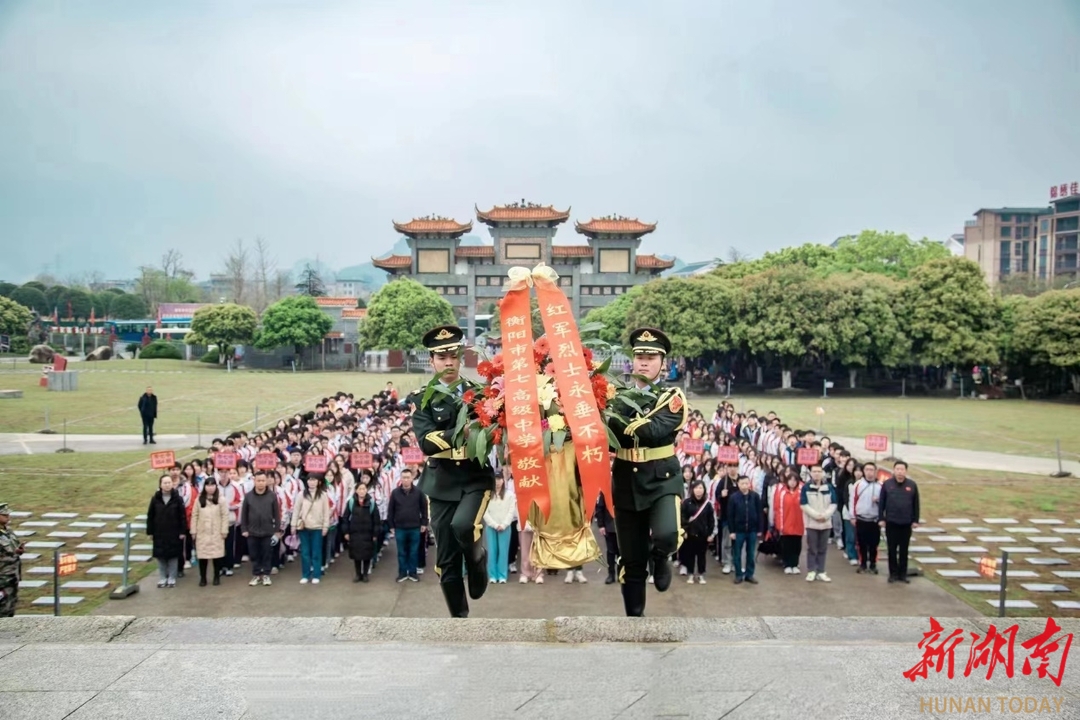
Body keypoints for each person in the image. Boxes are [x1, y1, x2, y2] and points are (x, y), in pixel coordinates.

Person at [409, 325, 495, 618]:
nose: (448, 363)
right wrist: (463, 432)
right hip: (441, 482)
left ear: (460, 358)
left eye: (453, 356)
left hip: (474, 477)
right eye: (441, 357)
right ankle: (459, 619)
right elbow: (426, 442)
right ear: (431, 361)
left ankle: (477, 560)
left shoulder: (481, 394)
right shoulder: (421, 398)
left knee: (464, 526)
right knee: (445, 560)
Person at [606, 327, 687, 616]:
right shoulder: (615, 395)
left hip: (661, 478)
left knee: (667, 534)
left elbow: (654, 430)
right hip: (626, 480)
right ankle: (634, 619)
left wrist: (615, 421)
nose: (644, 362)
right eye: (640, 356)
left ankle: (661, 556)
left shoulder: (671, 396)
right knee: (631, 560)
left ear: (662, 363)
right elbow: (607, 435)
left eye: (651, 358)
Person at [879, 460, 920, 584]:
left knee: (904, 550)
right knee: (892, 549)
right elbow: (882, 503)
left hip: (906, 523)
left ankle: (903, 574)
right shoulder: (887, 484)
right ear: (894, 470)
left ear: (906, 471)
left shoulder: (912, 485)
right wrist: (881, 518)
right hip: (891, 522)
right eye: (897, 469)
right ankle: (893, 574)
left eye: (902, 469)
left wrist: (915, 520)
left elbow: (916, 504)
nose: (900, 472)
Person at [240, 469, 281, 587]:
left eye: (263, 480)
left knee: (267, 554)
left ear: (266, 481)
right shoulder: (248, 496)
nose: (261, 483)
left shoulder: (272, 496)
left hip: (268, 531)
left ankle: (266, 575)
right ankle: (256, 575)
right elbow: (244, 514)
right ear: (254, 481)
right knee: (254, 554)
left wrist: (277, 530)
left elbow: (276, 514)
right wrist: (244, 529)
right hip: (252, 531)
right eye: (258, 480)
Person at [387, 467, 427, 582]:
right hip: (400, 528)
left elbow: (424, 508)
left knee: (414, 551)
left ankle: (413, 572)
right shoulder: (395, 493)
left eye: (408, 477)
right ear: (401, 479)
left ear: (412, 478)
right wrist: (391, 526)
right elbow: (391, 510)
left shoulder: (418, 492)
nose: (406, 480)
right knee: (401, 552)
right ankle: (403, 572)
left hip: (415, 527)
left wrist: (424, 523)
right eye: (404, 477)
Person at [146, 474, 186, 588]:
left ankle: (172, 577)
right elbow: (150, 516)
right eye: (165, 483)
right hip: (159, 532)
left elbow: (182, 516)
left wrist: (182, 531)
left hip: (174, 532)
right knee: (161, 556)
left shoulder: (178, 499)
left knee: (173, 556)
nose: (167, 485)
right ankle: (163, 577)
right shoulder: (155, 499)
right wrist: (150, 532)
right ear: (160, 485)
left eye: (169, 482)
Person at [801, 463, 837, 583]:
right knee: (812, 548)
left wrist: (825, 515)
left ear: (822, 473)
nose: (817, 474)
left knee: (823, 548)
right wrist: (816, 516)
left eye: (819, 471)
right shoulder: (806, 488)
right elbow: (804, 504)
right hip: (811, 523)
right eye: (814, 471)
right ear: (811, 473)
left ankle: (821, 571)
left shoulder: (829, 487)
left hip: (826, 523)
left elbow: (833, 503)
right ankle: (811, 571)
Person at [292, 474, 331, 584]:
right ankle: (305, 574)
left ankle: (316, 575)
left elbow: (326, 512)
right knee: (305, 552)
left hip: (317, 527)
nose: (312, 482)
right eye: (309, 480)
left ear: (318, 482)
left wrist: (325, 526)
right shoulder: (301, 494)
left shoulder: (323, 495)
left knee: (316, 552)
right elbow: (296, 510)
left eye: (314, 480)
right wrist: (293, 525)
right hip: (304, 527)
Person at [190, 477, 229, 586]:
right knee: (203, 556)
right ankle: (203, 578)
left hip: (216, 531)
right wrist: (193, 531)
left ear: (216, 486)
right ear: (205, 487)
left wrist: (224, 530)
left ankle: (216, 577)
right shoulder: (199, 499)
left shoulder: (221, 499)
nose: (210, 488)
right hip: (202, 532)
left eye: (212, 485)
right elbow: (194, 515)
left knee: (217, 556)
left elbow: (225, 515)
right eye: (208, 485)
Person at [727, 476, 762, 584]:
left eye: (746, 483)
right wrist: (732, 531)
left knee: (750, 553)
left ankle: (749, 574)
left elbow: (759, 513)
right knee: (737, 554)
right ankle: (738, 574)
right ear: (738, 484)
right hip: (738, 531)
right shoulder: (733, 498)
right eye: (742, 483)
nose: (744, 485)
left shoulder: (755, 496)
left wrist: (760, 529)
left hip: (752, 530)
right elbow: (730, 515)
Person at [342, 481, 380, 582]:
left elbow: (376, 520)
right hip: (355, 533)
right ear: (356, 491)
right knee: (356, 555)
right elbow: (345, 518)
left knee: (367, 555)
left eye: (364, 489)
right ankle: (358, 574)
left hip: (368, 533)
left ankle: (365, 574)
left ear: (366, 490)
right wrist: (346, 532)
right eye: (360, 489)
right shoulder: (351, 502)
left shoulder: (371, 503)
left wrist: (375, 533)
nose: (362, 491)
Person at [483, 474, 516, 584]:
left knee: (503, 551)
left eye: (499, 479)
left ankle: (502, 575)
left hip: (505, 527)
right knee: (492, 551)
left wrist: (504, 524)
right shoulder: (487, 495)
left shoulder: (509, 495)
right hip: (491, 527)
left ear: (503, 480)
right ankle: (492, 575)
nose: (497, 482)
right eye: (495, 480)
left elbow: (511, 511)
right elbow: (484, 511)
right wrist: (494, 524)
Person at [681, 480, 715, 584]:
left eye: (700, 488)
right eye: (696, 488)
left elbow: (711, 520)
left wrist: (710, 533)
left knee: (702, 556)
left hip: (702, 535)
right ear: (692, 489)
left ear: (704, 489)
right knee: (690, 555)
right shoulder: (687, 503)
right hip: (690, 534)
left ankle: (701, 574)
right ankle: (690, 574)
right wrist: (684, 531)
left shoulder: (708, 504)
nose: (698, 490)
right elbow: (682, 518)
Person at [851, 462, 882, 575]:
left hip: (874, 519)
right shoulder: (858, 484)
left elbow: (884, 503)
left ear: (875, 471)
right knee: (861, 543)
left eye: (871, 470)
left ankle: (873, 564)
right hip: (861, 518)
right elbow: (852, 500)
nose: (869, 472)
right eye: (867, 470)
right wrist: (852, 516)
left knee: (874, 543)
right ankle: (863, 563)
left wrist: (878, 500)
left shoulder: (880, 486)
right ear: (864, 471)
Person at [0, 503, 26, 617]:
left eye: (8, 515)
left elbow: (12, 549)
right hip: (2, 578)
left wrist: (19, 550)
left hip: (12, 577)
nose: (8, 517)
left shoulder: (8, 531)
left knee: (10, 607)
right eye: (4, 515)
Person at [594, 491, 618, 585]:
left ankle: (622, 573)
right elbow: (600, 507)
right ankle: (611, 574)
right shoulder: (605, 490)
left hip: (624, 526)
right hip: (610, 525)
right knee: (611, 552)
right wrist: (601, 525)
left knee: (623, 552)